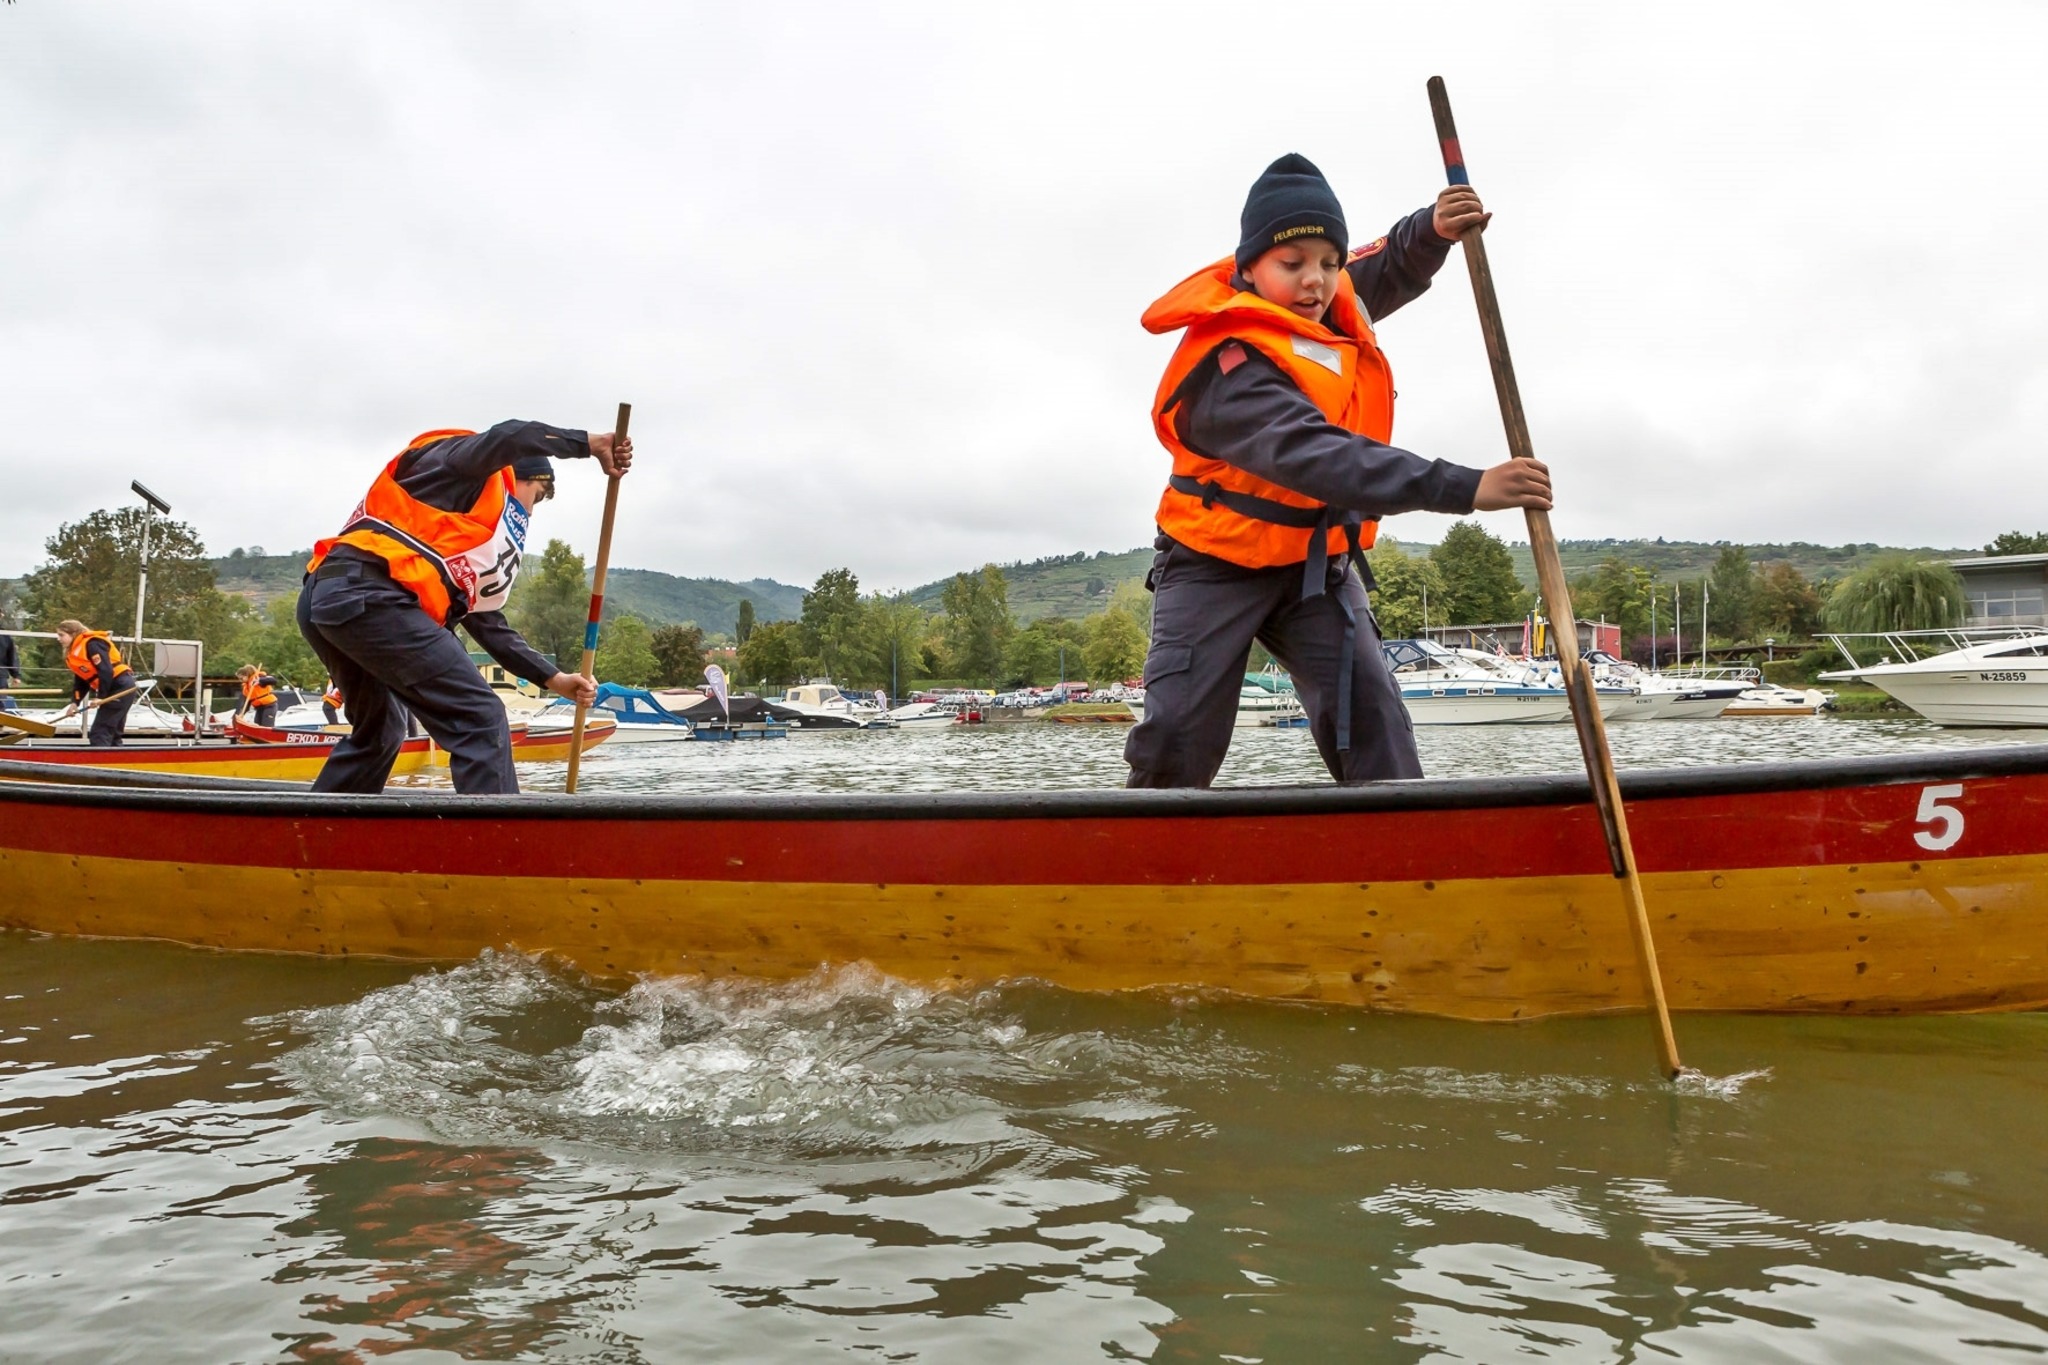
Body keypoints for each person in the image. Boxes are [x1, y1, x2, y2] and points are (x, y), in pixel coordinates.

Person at [1125, 153, 1553, 788]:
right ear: (1248, 269)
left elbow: (1378, 269)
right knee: (1176, 738)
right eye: (1292, 265)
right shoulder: (1227, 365)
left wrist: (1431, 229)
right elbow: (1319, 457)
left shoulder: (1326, 299)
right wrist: (1465, 486)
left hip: (1314, 569)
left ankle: (1405, 859)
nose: (1315, 283)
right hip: (1214, 563)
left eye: (1327, 263)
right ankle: (1145, 863)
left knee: (1375, 717)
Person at [298, 420, 631, 794]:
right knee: (481, 717)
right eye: (536, 496)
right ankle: (499, 844)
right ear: (518, 474)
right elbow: (512, 436)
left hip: (331, 598)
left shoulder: (462, 533)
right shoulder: (461, 466)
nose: (531, 514)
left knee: (382, 730)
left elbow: (486, 621)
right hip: (369, 598)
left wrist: (554, 679)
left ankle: (319, 833)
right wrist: (590, 444)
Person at [54, 619, 142, 747]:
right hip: (114, 686)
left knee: (100, 731)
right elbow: (81, 680)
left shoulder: (92, 644)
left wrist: (101, 697)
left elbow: (106, 670)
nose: (59, 639)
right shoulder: (75, 652)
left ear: (73, 634)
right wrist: (75, 703)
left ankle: (102, 761)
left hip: (120, 686)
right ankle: (117, 760)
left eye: (61, 635)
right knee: (112, 732)